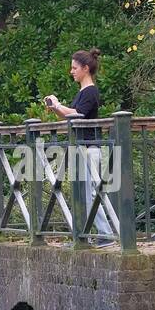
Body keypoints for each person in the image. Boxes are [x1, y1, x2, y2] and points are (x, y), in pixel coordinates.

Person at [44, 47, 116, 247]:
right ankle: (84, 236)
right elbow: (70, 115)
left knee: (92, 193)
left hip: (89, 147)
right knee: (84, 194)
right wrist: (55, 107)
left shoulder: (91, 92)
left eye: (75, 68)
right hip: (81, 148)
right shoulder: (83, 92)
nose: (71, 71)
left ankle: (105, 233)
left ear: (85, 68)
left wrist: (58, 105)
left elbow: (78, 114)